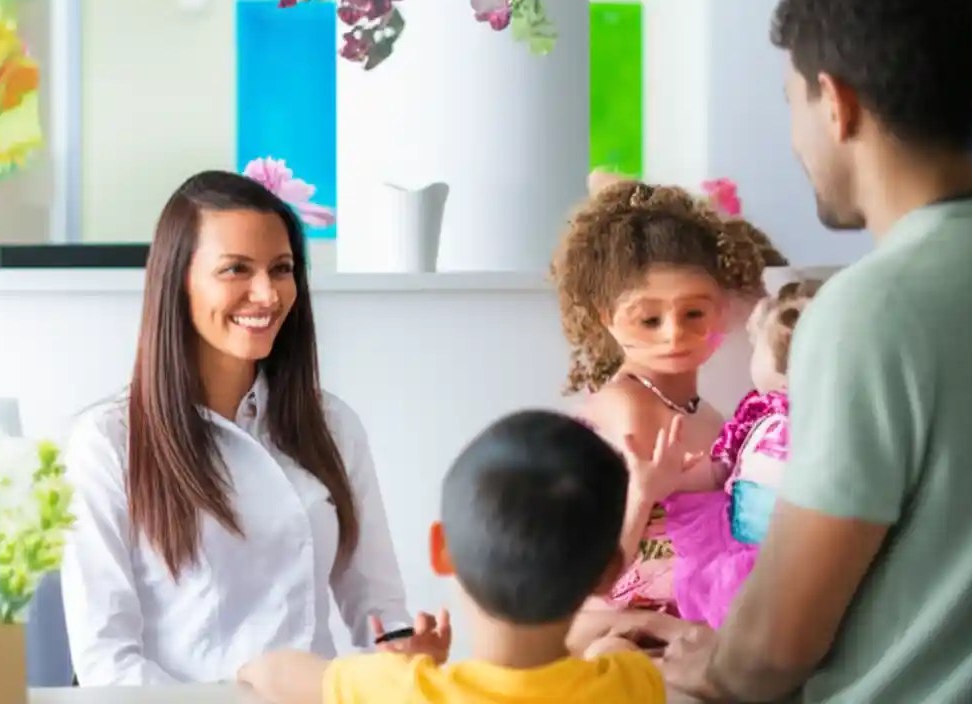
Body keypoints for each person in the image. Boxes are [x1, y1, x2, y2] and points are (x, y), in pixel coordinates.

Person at [645, 0, 972, 701]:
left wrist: (708, 666)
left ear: (836, 104)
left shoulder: (870, 309)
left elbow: (774, 648)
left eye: (790, 103)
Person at [59, 170, 446, 685]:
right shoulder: (106, 444)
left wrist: (403, 653)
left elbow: (378, 607)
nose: (266, 294)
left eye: (281, 269)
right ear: (177, 279)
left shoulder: (330, 425)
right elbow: (106, 663)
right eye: (236, 269)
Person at [237, 410, 701, 703]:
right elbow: (628, 656)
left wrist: (408, 670)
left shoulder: (403, 691)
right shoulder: (628, 682)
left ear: (441, 550)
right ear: (609, 575)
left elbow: (273, 671)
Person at [551, 180, 784, 652]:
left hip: (684, 631)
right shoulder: (628, 407)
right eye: (649, 319)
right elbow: (587, 573)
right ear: (605, 318)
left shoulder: (713, 418)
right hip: (616, 632)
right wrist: (642, 495)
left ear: (720, 309)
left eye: (694, 313)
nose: (674, 334)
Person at [663, 279, 821, 629]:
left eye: (756, 348)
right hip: (742, 540)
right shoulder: (757, 411)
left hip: (796, 551)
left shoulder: (825, 420)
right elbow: (722, 468)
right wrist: (675, 477)